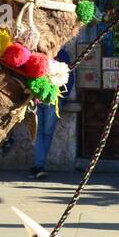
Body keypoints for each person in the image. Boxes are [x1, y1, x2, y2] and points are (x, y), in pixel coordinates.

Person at [30, 48, 75, 178]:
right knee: (42, 133)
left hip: (54, 99)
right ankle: (39, 165)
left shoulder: (61, 55)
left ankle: (39, 165)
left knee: (43, 133)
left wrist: (62, 98)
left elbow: (69, 77)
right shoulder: (43, 54)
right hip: (40, 99)